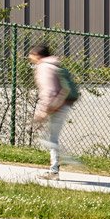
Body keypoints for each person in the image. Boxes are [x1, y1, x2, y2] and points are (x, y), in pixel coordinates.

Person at [28, 43, 74, 179]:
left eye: (31, 55)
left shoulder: (44, 67)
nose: (30, 58)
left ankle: (57, 168)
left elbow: (48, 91)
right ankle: (57, 166)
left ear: (37, 55)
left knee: (49, 138)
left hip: (54, 106)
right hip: (63, 104)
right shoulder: (55, 65)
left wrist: (43, 112)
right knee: (50, 137)